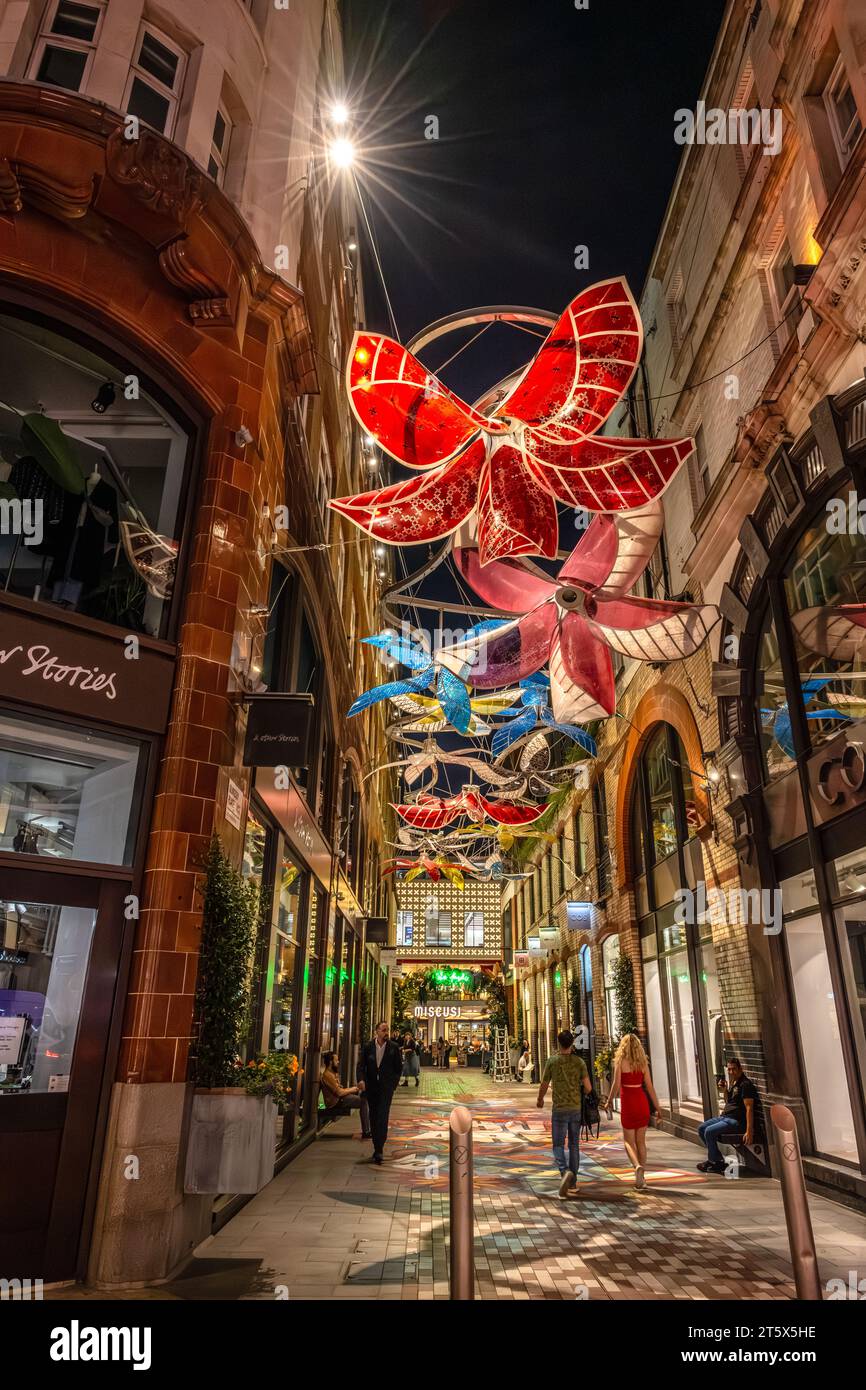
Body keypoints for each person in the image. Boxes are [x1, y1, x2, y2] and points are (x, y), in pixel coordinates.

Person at [536, 1029, 593, 1198]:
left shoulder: (552, 1062)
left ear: (559, 1043)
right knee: (574, 1145)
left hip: (559, 1109)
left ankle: (564, 1171)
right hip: (575, 1109)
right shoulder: (579, 1062)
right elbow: (589, 1088)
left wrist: (540, 1100)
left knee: (558, 1145)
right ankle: (573, 1183)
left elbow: (544, 1084)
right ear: (572, 1043)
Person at [604, 1033, 661, 1191]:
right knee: (641, 1141)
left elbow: (616, 1084)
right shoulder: (643, 1063)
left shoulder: (620, 1061)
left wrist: (609, 1101)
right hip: (641, 1101)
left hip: (628, 1102)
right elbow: (650, 1087)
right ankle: (641, 1179)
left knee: (628, 1141)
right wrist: (658, 1108)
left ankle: (636, 1167)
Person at [697, 1057, 757, 1174]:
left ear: (740, 1068)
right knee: (701, 1128)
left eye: (733, 1069)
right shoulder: (733, 1083)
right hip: (725, 1117)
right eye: (729, 1070)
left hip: (735, 1120)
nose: (731, 1072)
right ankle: (716, 1160)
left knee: (709, 1131)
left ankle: (714, 1161)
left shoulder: (745, 1085)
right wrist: (725, 1090)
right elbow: (728, 1102)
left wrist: (749, 1131)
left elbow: (749, 1108)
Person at [359, 1020, 404, 1164]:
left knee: (383, 1116)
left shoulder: (393, 1047)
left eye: (387, 1030)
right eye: (383, 1030)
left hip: (386, 1088)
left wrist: (393, 1084)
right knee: (373, 1115)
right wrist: (361, 1080)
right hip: (371, 1087)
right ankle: (376, 1145)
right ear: (376, 1031)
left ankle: (379, 1148)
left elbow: (398, 1068)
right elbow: (361, 1065)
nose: (386, 1033)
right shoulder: (368, 1047)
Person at [320, 1052, 368, 1137]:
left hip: (339, 1099)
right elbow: (339, 1092)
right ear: (331, 1062)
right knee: (363, 1102)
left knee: (363, 1097)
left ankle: (367, 1129)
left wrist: (353, 1089)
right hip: (336, 1102)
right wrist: (352, 1089)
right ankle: (366, 1131)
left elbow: (340, 1089)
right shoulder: (327, 1075)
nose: (338, 1062)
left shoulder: (333, 1073)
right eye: (336, 1060)